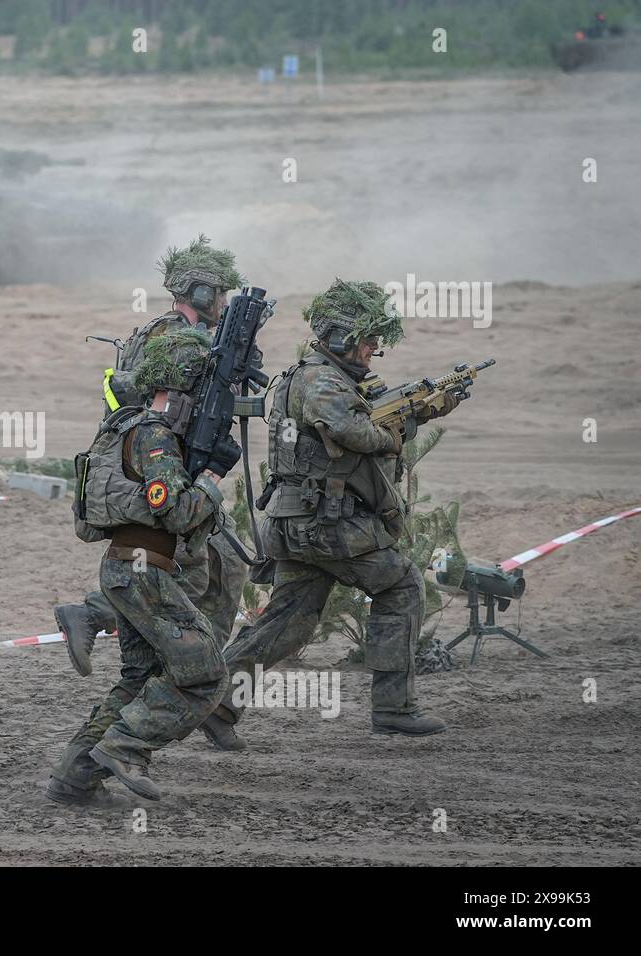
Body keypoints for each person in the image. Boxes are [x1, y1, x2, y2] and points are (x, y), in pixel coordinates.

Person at [201, 279, 459, 751]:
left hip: (304, 524)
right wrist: (398, 435)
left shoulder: (316, 375)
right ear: (340, 338)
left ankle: (218, 704)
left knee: (287, 622)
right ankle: (394, 709)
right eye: (365, 341)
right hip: (328, 526)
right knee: (400, 585)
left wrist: (418, 410)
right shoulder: (321, 380)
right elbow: (351, 431)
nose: (371, 350)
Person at [48, 328, 228, 805]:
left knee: (139, 680)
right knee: (205, 673)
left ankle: (74, 776)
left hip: (131, 570)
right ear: (173, 387)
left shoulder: (136, 429)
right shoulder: (153, 433)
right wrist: (210, 482)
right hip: (142, 569)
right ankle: (125, 748)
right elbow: (179, 512)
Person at [55, 236, 247, 680]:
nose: (222, 301)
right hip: (165, 468)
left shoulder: (170, 333)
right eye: (218, 293)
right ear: (200, 293)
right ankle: (187, 677)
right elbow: (168, 407)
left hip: (168, 467)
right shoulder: (176, 338)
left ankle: (192, 679)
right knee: (189, 569)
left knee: (221, 564)